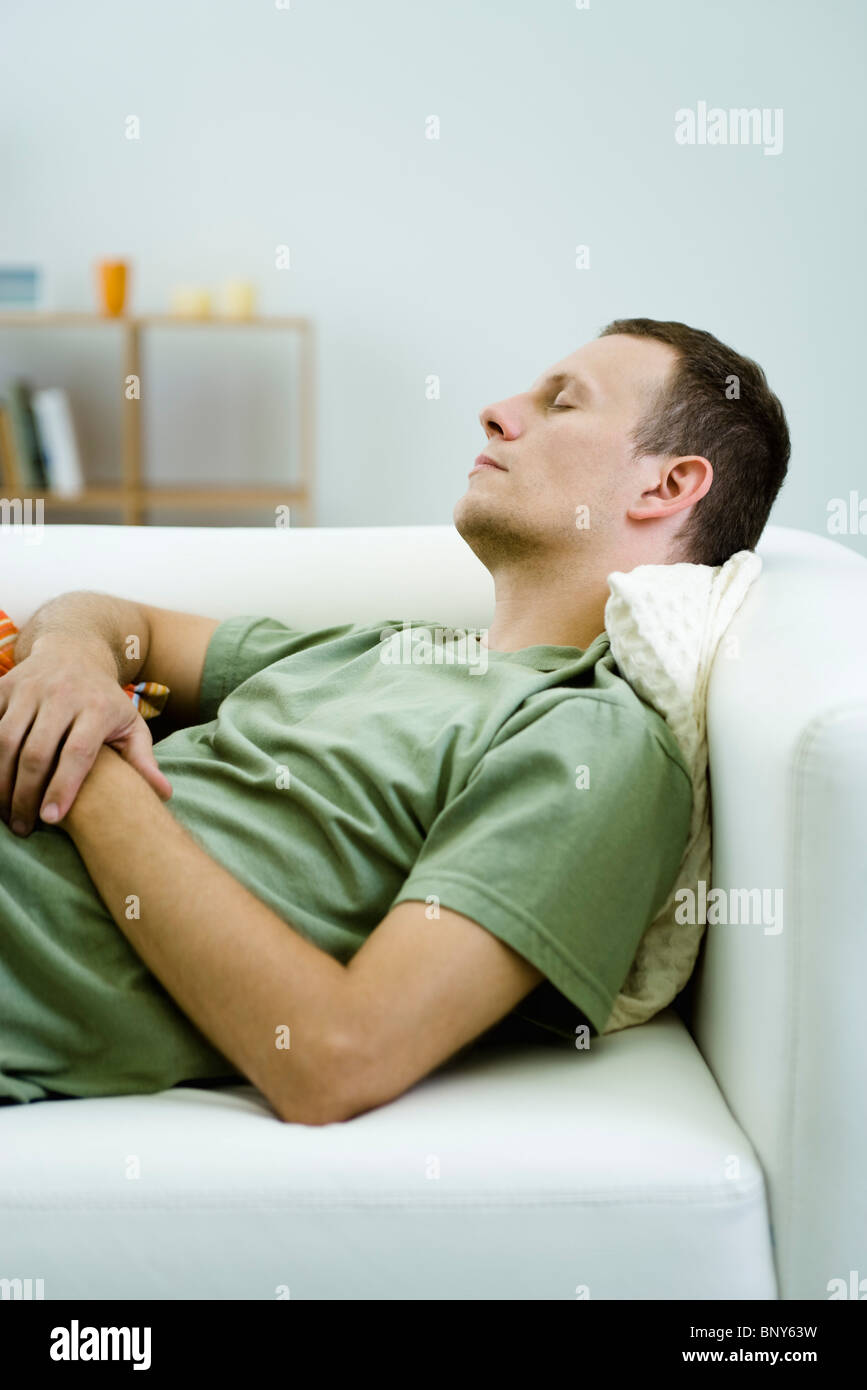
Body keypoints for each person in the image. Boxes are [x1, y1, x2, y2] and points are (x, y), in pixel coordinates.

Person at [0, 318, 790, 1121]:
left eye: (560, 403)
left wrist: (89, 770)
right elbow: (122, 622)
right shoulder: (395, 650)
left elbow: (334, 1059)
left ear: (666, 486)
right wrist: (68, 662)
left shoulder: (590, 735)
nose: (494, 412)